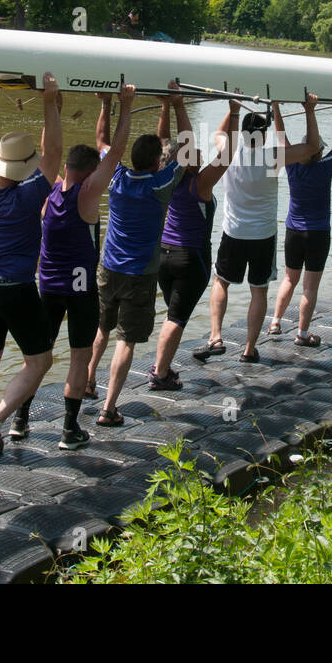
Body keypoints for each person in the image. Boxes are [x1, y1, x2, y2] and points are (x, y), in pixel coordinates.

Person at [0, 74, 62, 456]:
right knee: (39, 361)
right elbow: (53, 151)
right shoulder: (30, 193)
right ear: (24, 167)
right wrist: (49, 101)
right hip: (16, 288)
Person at [36, 84, 135, 450]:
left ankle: (19, 421)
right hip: (78, 291)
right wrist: (125, 107)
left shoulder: (47, 189)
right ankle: (68, 430)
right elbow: (118, 152)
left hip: (46, 288)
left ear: (65, 168)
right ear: (90, 174)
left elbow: (49, 150)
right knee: (80, 357)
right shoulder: (88, 194)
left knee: (38, 357)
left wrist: (54, 108)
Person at [89, 80, 190, 426]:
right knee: (127, 340)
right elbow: (187, 152)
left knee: (101, 329)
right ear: (156, 163)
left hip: (107, 267)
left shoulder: (115, 178)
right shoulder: (161, 185)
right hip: (139, 275)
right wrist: (177, 105)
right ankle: (109, 408)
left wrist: (109, 104)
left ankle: (89, 382)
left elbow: (103, 143)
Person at [196, 95, 320, 364]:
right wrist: (309, 109)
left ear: (243, 132)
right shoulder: (273, 157)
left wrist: (233, 109)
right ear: (264, 136)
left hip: (233, 232)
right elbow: (312, 146)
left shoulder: (228, 152)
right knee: (259, 290)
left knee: (221, 282)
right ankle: (249, 349)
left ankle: (215, 336)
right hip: (262, 235)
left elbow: (218, 132)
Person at [147, 95, 239, 389]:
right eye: (194, 151)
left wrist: (166, 105)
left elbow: (164, 143)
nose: (199, 151)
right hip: (190, 260)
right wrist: (234, 113)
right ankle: (160, 374)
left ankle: (163, 366)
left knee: (173, 315)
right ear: (186, 160)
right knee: (177, 318)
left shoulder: (162, 175)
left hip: (163, 256)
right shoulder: (200, 183)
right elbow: (226, 155)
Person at [269, 101, 332, 345]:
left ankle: (275, 322)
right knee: (309, 288)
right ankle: (302, 334)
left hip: (293, 231)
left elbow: (280, 135)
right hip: (317, 234)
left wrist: (275, 107)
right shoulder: (325, 167)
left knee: (289, 279)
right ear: (318, 151)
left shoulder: (292, 165)